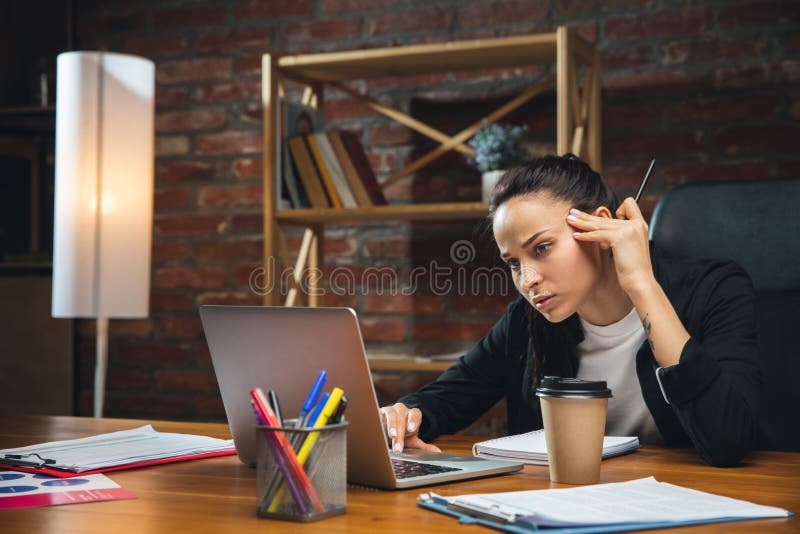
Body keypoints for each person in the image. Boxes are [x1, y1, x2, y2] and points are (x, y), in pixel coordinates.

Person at [380, 154, 761, 467]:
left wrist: (642, 285)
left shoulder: (715, 290)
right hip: (564, 503)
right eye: (513, 263)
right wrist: (406, 416)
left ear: (600, 226)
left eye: (542, 248)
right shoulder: (527, 319)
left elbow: (727, 442)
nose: (528, 280)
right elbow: (454, 393)